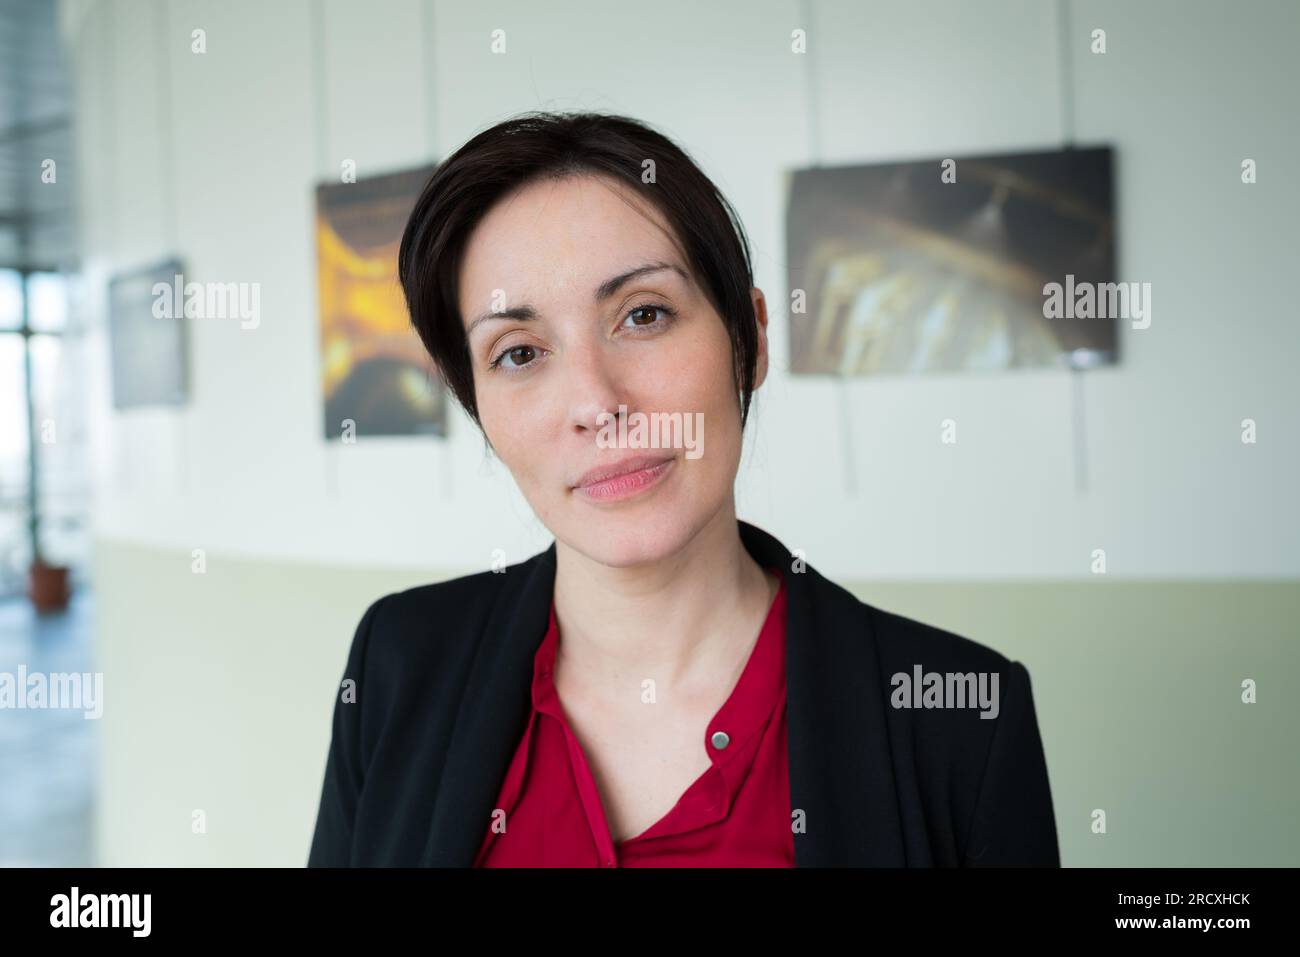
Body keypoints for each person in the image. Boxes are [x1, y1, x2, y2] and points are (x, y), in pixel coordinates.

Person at [307, 111, 1059, 867]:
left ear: (752, 338)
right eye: (521, 352)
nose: (597, 403)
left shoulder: (962, 717)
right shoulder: (398, 664)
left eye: (643, 314)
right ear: (477, 405)